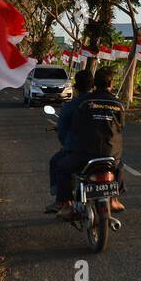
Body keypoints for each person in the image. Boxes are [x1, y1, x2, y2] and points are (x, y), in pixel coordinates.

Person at [51, 66, 126, 219]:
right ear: (111, 84)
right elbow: (121, 126)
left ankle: (66, 204)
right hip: (111, 154)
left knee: (62, 167)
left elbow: (76, 128)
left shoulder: (84, 103)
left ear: (95, 84)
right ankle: (114, 199)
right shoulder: (118, 104)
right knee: (119, 165)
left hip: (84, 154)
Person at [45, 69, 92, 214]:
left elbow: (63, 132)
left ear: (76, 87)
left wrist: (67, 145)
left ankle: (63, 201)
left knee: (58, 163)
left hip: (78, 151)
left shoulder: (71, 106)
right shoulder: (101, 103)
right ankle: (113, 199)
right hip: (106, 150)